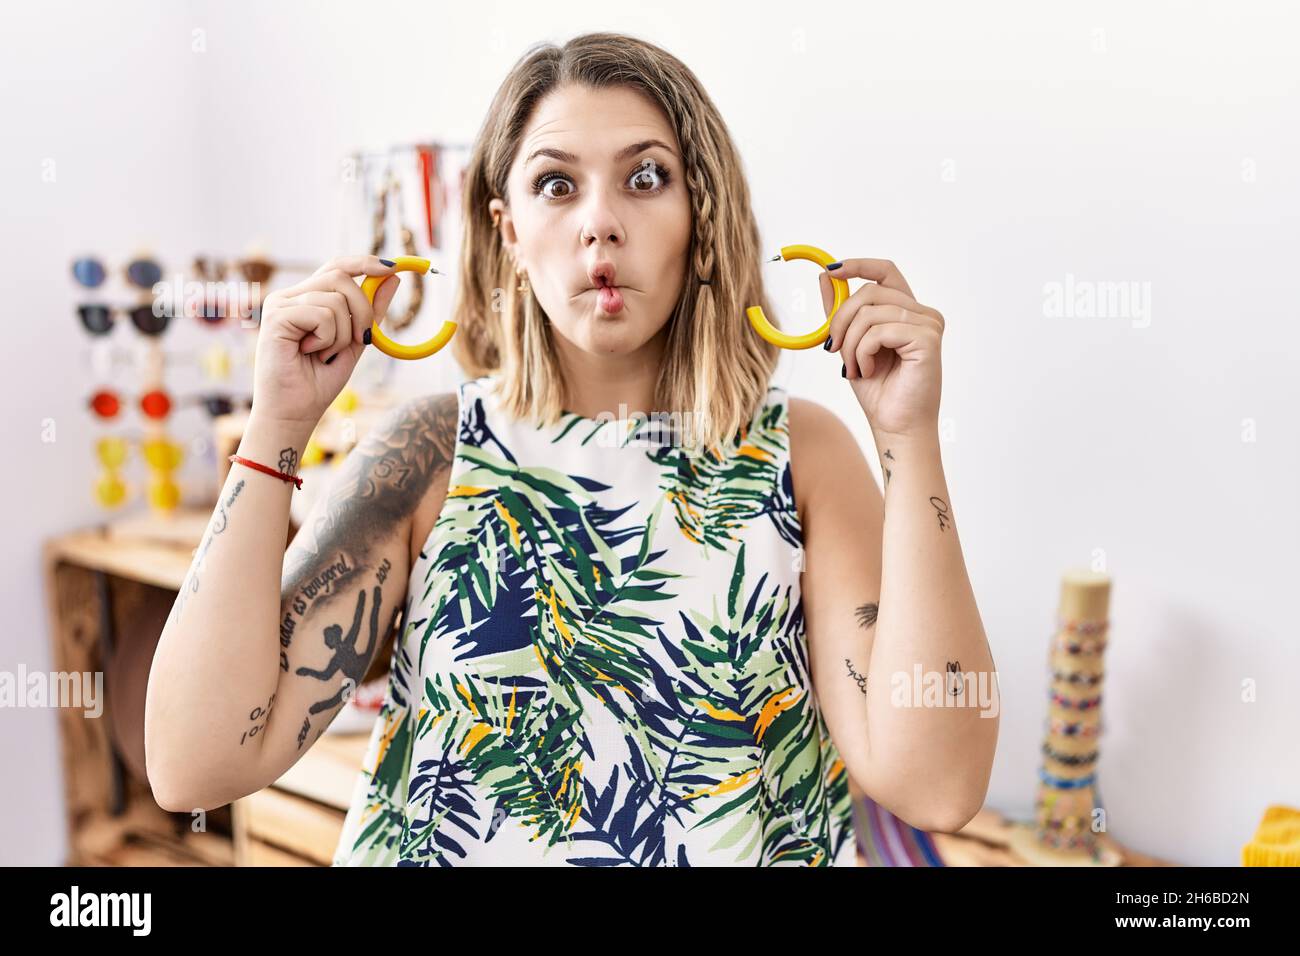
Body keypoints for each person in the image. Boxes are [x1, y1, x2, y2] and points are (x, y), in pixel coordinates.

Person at [144, 31, 997, 867]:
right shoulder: (430, 452)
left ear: (700, 213)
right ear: (507, 229)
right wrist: (275, 430)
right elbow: (193, 766)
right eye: (557, 184)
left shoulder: (801, 455)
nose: (601, 223)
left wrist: (909, 438)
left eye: (647, 177)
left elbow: (937, 786)